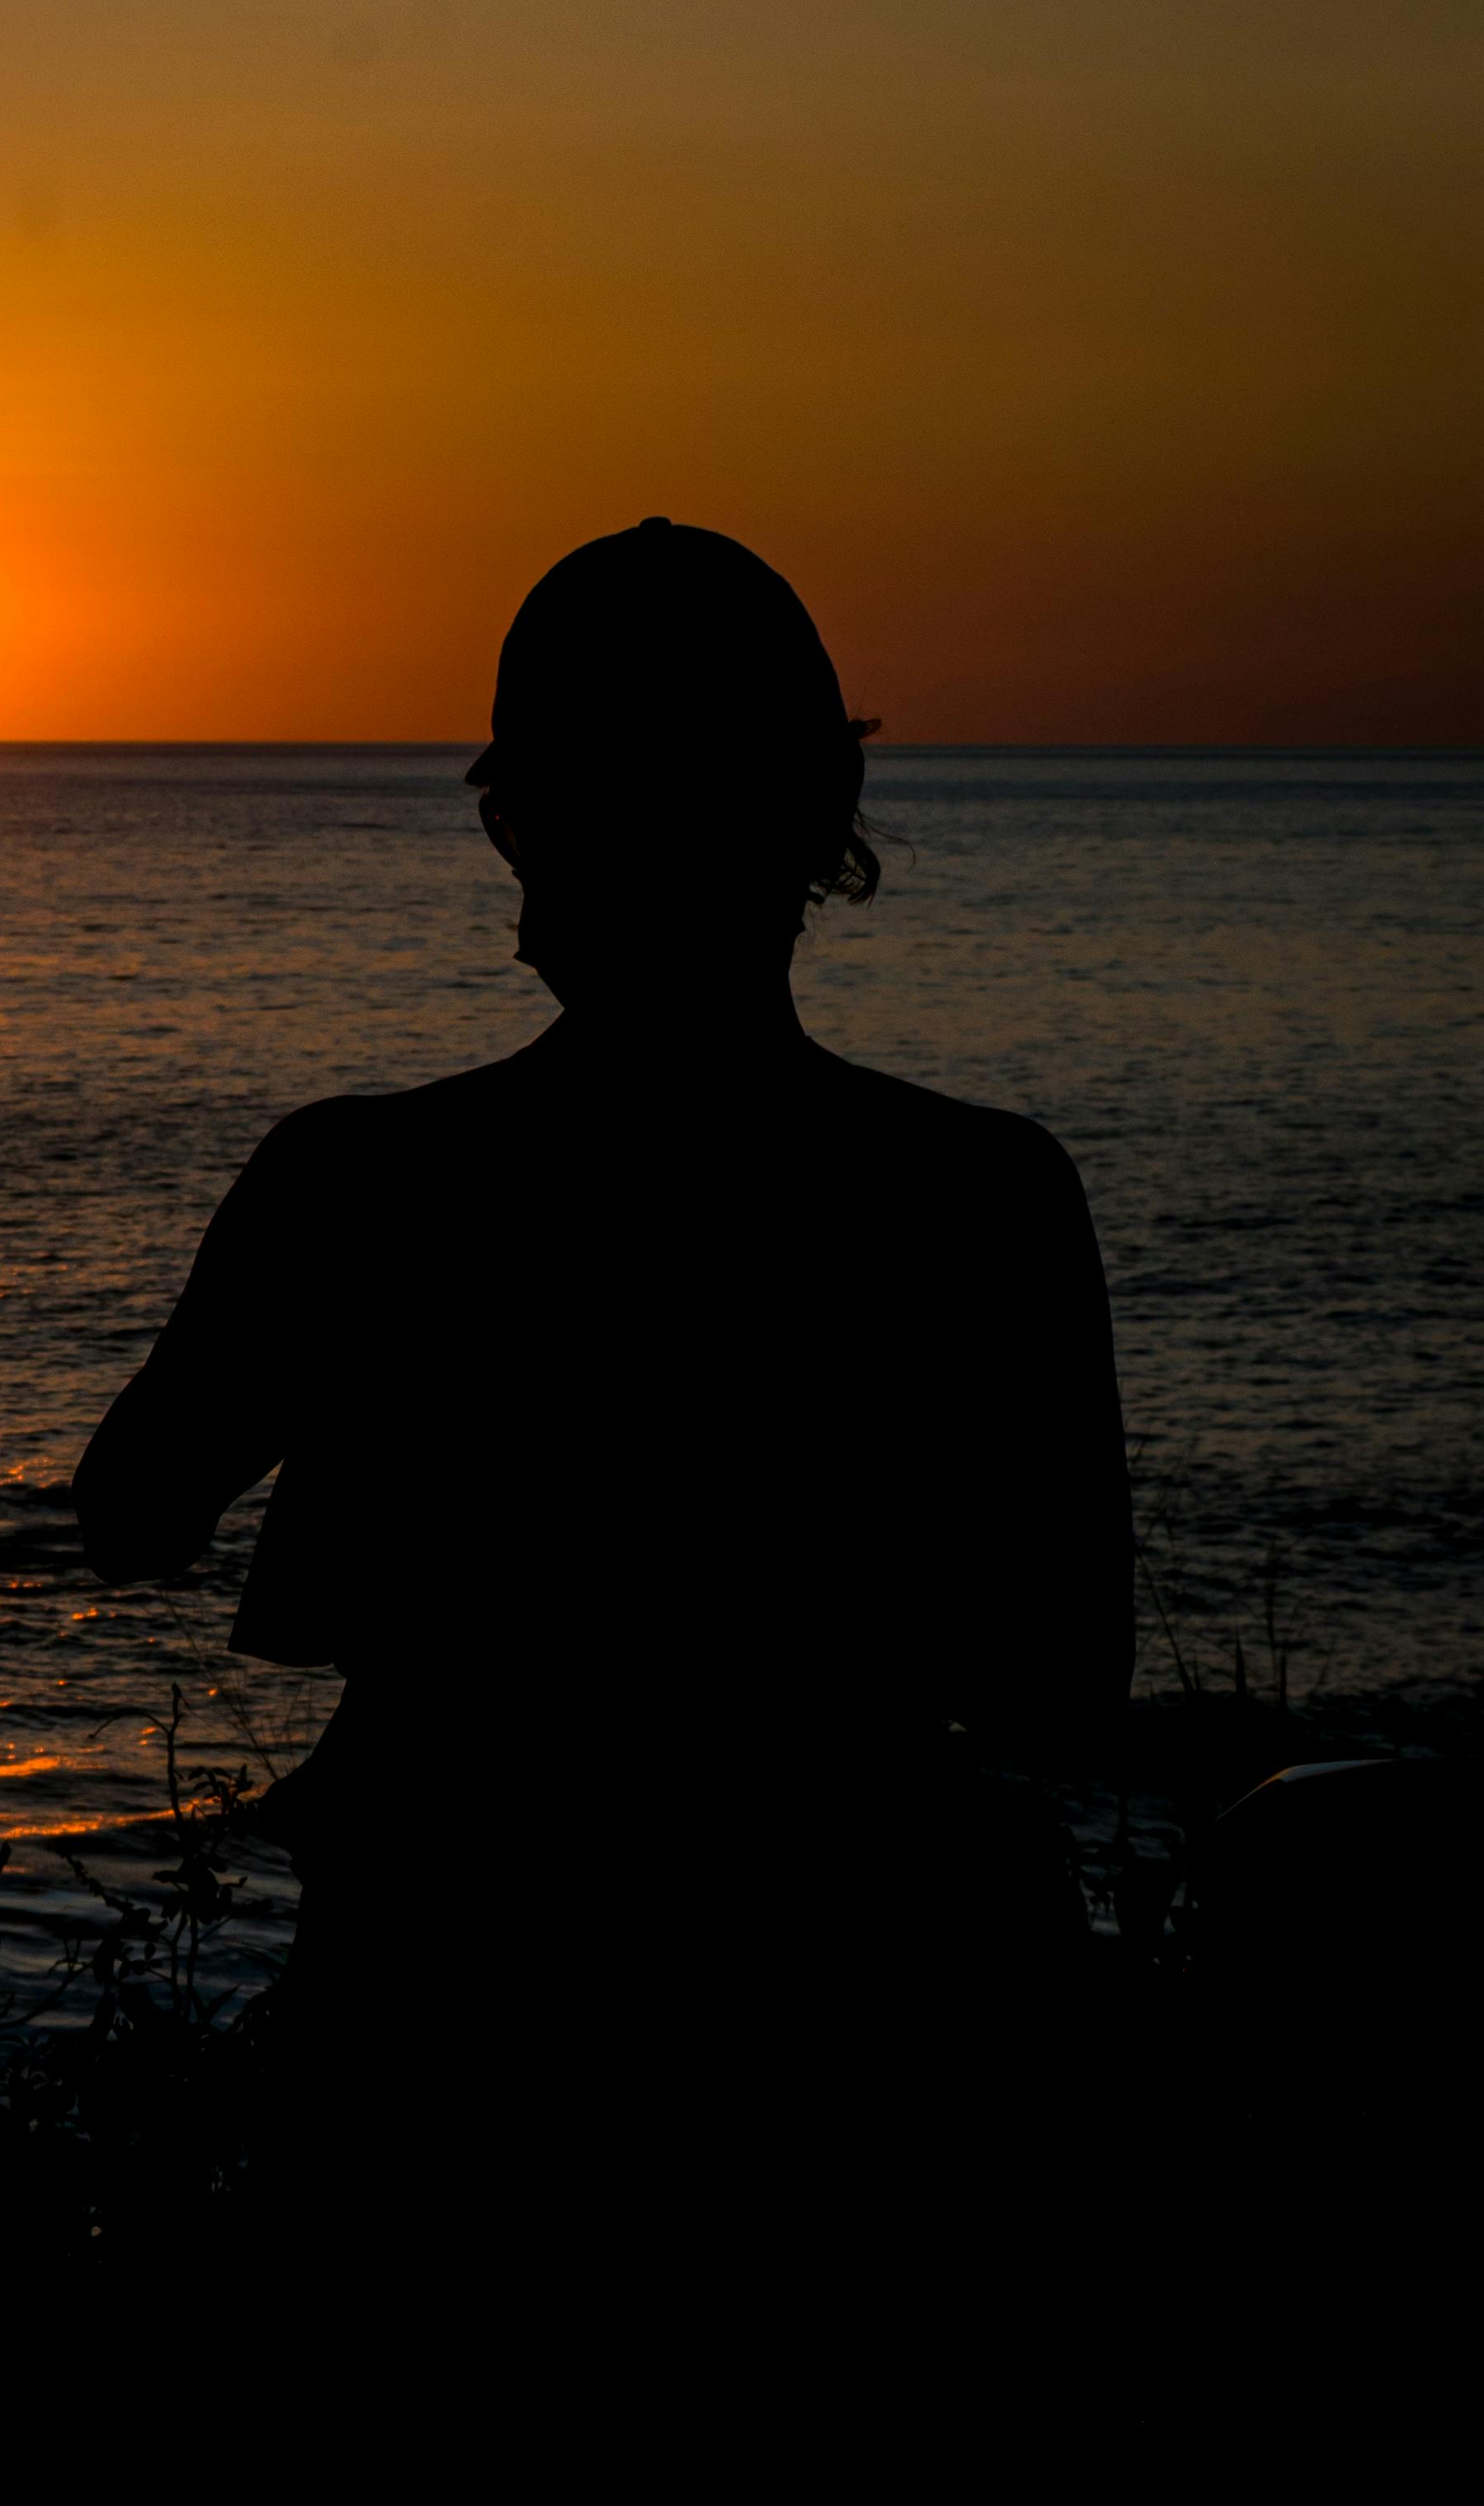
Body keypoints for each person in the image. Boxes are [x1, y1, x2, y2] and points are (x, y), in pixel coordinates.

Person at [75, 519, 1131, 2175]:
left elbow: (133, 1513)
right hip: (863, 2017)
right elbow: (1060, 1673)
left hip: (451, 2020)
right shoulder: (981, 1191)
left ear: (533, 827)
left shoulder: (358, 1179)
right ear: (817, 822)